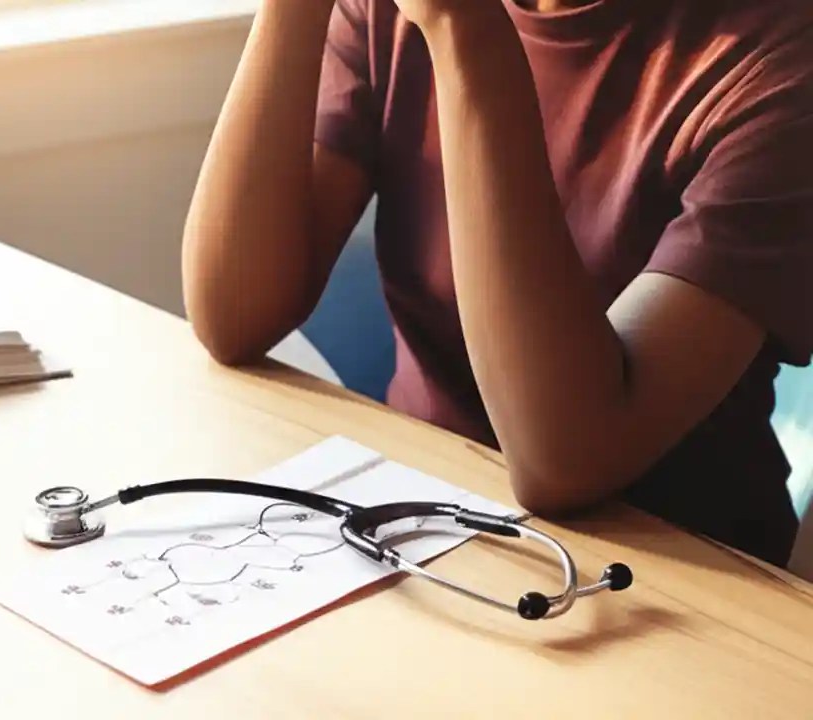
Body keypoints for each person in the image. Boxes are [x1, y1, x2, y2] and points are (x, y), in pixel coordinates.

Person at [181, 0, 813, 567]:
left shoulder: (777, 61)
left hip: (676, 591)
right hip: (415, 531)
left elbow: (565, 460)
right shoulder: (388, 14)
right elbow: (234, 315)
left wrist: (465, 30)